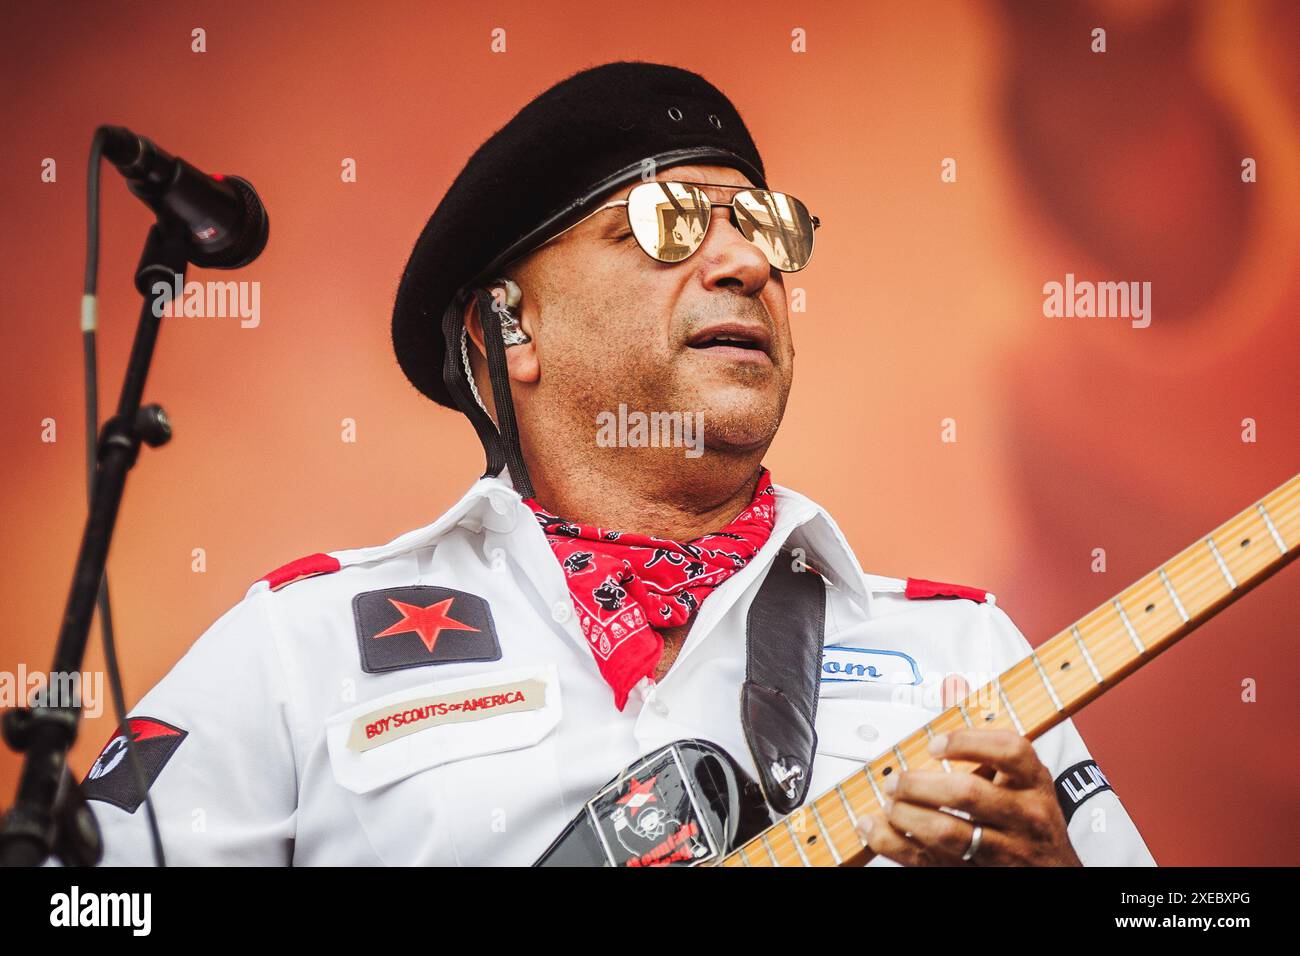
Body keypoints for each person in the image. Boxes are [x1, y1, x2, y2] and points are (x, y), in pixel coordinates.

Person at [84, 61, 1154, 866]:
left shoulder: (964, 652)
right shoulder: (301, 647)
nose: (743, 263)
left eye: (764, 230)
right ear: (507, 328)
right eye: (668, 222)